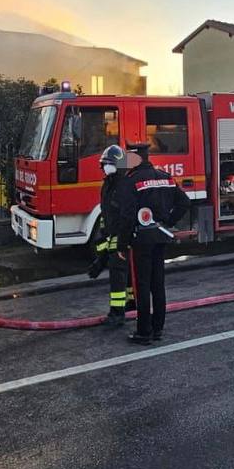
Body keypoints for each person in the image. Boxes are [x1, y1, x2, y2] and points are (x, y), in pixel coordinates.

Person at [118, 142, 190, 345]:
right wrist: (168, 221)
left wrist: (121, 245)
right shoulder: (164, 177)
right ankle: (158, 329)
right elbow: (184, 203)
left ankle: (143, 332)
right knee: (158, 284)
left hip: (141, 240)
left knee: (142, 286)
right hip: (160, 236)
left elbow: (126, 216)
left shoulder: (130, 181)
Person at [88, 145, 133, 326]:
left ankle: (117, 314)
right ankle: (131, 305)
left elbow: (126, 218)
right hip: (112, 236)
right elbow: (106, 215)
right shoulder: (108, 185)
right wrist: (100, 259)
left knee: (118, 275)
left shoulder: (124, 186)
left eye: (106, 164)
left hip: (123, 238)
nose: (103, 168)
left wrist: (121, 245)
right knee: (124, 275)